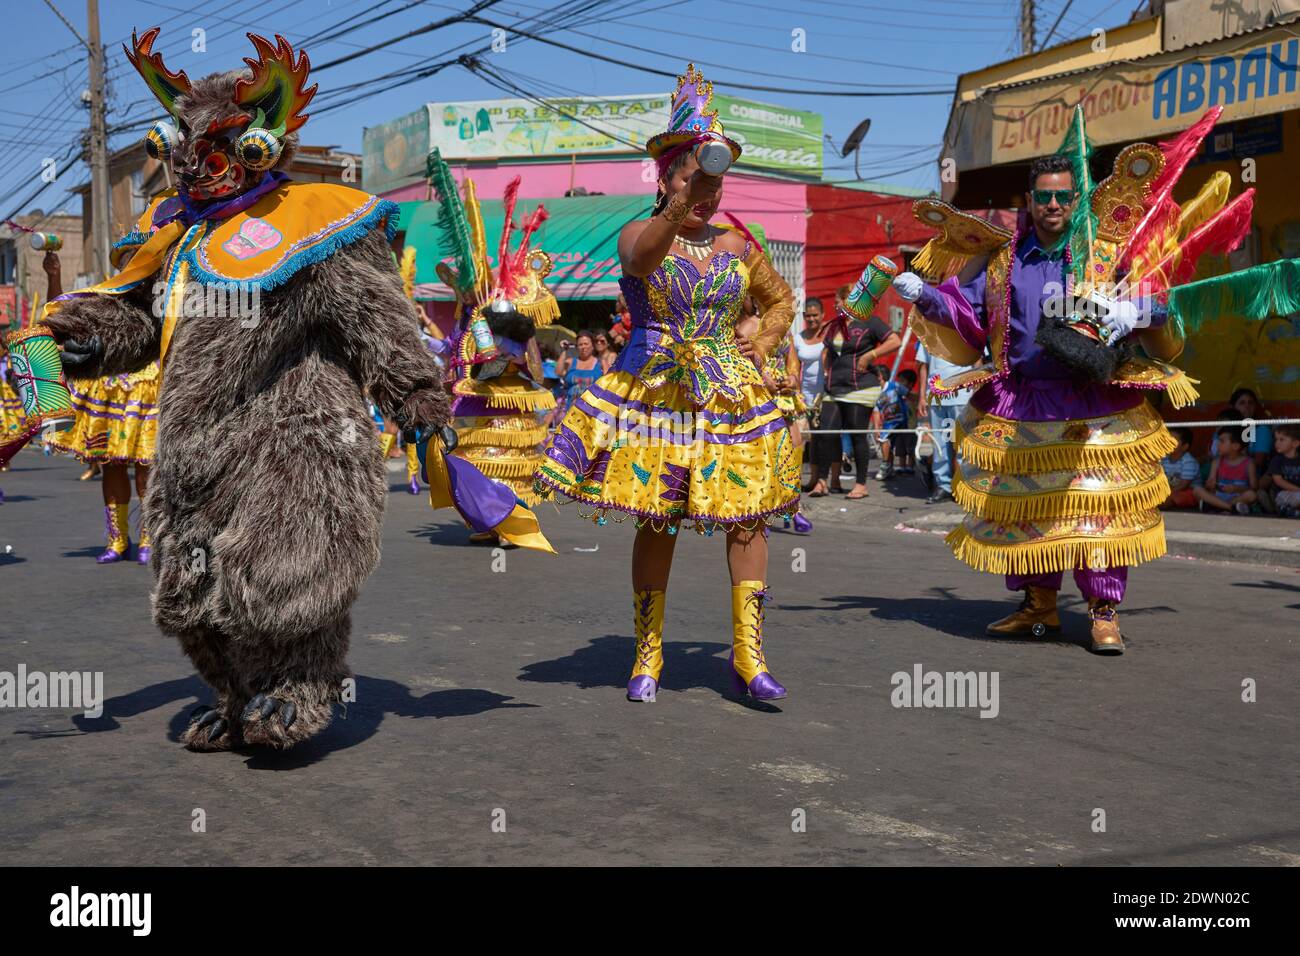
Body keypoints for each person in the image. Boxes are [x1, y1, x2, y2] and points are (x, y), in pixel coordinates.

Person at [535, 63, 798, 703]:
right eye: (694, 177)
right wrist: (676, 209)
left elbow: (783, 302)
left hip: (731, 394)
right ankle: (648, 655)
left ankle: (749, 656)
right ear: (668, 177)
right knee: (659, 520)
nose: (708, 192)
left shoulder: (739, 245)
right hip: (656, 393)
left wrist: (758, 338)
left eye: (716, 181)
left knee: (749, 518)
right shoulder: (639, 233)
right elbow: (641, 259)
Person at [894, 132, 1210, 654]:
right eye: (1044, 196)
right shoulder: (1002, 260)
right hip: (1024, 401)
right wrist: (924, 294)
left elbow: (1159, 304)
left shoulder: (1105, 253)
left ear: (1076, 199)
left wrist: (1135, 310)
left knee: (1098, 512)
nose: (1055, 205)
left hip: (1092, 400)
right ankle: (1039, 607)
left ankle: (1104, 613)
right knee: (1029, 509)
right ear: (1030, 200)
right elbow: (972, 322)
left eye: (1064, 195)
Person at [43, 245, 159, 564]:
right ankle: (117, 540)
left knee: (146, 468)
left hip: (147, 390)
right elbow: (58, 312)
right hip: (107, 391)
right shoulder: (103, 298)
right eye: (124, 260)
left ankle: (148, 538)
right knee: (111, 465)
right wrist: (54, 276)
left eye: (136, 258)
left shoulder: (160, 297)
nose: (130, 263)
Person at [813, 306, 901, 500]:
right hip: (834, 387)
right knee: (826, 432)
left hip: (861, 386)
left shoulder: (871, 321)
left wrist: (871, 355)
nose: (839, 306)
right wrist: (827, 372)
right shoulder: (836, 325)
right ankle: (822, 481)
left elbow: (895, 341)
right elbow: (828, 351)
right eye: (837, 302)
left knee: (857, 434)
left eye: (843, 300)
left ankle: (861, 484)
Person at [914, 339, 978, 503]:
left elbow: (978, 363)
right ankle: (943, 486)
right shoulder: (928, 333)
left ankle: (964, 486)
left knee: (963, 444)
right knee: (940, 445)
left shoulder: (967, 328)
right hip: (936, 398)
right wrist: (922, 396)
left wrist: (976, 393)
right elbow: (923, 366)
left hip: (962, 396)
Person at [795, 296, 827, 492]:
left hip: (824, 394)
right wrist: (797, 393)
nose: (812, 319)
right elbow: (795, 367)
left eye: (815, 315)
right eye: (808, 316)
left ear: (823, 315)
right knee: (801, 439)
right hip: (804, 396)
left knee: (821, 439)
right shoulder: (799, 338)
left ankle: (819, 479)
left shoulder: (829, 335)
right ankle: (798, 479)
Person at [1194, 425, 1257, 514]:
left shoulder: (1249, 463)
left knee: (1251, 495)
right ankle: (1230, 508)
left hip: (1237, 497)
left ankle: (1217, 507)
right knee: (1197, 490)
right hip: (1218, 497)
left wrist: (1236, 488)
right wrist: (1210, 484)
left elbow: (1253, 488)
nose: (1218, 444)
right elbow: (1210, 485)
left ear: (1235, 446)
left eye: (1222, 441)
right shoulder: (1216, 462)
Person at [875, 368, 917, 480]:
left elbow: (911, 396)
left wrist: (921, 402)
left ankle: (909, 466)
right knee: (892, 445)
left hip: (905, 423)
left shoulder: (896, 387)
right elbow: (876, 410)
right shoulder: (875, 392)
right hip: (889, 423)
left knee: (908, 446)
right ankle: (892, 466)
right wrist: (876, 427)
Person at [1225, 387, 1274, 472]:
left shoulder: (1261, 429)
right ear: (1233, 407)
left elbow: (1259, 462)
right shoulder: (1225, 428)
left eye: (1250, 403)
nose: (1247, 406)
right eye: (1242, 403)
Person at [555, 331, 602, 413]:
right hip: (571, 410)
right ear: (577, 347)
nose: (583, 347)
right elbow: (558, 372)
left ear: (593, 346)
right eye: (580, 344)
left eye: (586, 344)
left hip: (593, 411)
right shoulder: (570, 362)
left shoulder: (601, 363)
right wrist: (564, 350)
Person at [1260, 424, 1300, 516]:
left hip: (1298, 493)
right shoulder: (1277, 460)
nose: (1277, 443)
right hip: (1283, 493)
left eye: (1282, 439)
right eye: (1276, 439)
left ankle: (1295, 512)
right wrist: (1298, 489)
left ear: (1295, 443)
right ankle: (1289, 511)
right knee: (1284, 499)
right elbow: (1278, 481)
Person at [1159, 426, 1199, 509]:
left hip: (1187, 492)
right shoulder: (1164, 459)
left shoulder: (1188, 461)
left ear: (1184, 446)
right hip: (1170, 491)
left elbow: (1184, 485)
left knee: (1170, 499)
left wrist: (1166, 494)